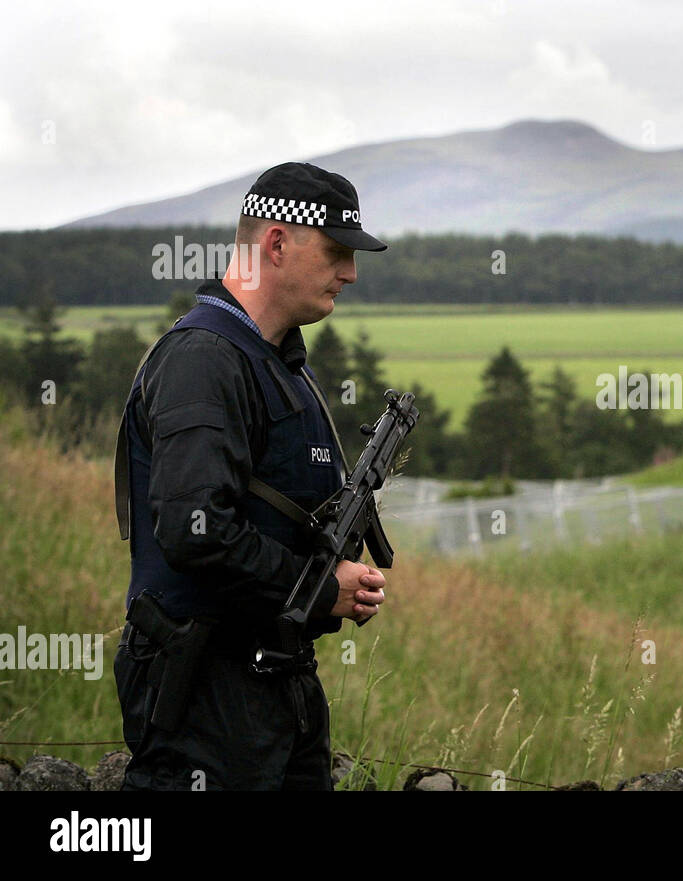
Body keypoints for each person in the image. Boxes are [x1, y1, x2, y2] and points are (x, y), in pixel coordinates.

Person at [112, 162, 389, 790]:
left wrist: (338, 580)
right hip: (207, 697)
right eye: (337, 252)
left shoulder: (282, 364)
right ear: (276, 243)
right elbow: (194, 531)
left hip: (279, 689)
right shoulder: (203, 360)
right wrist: (318, 588)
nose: (349, 273)